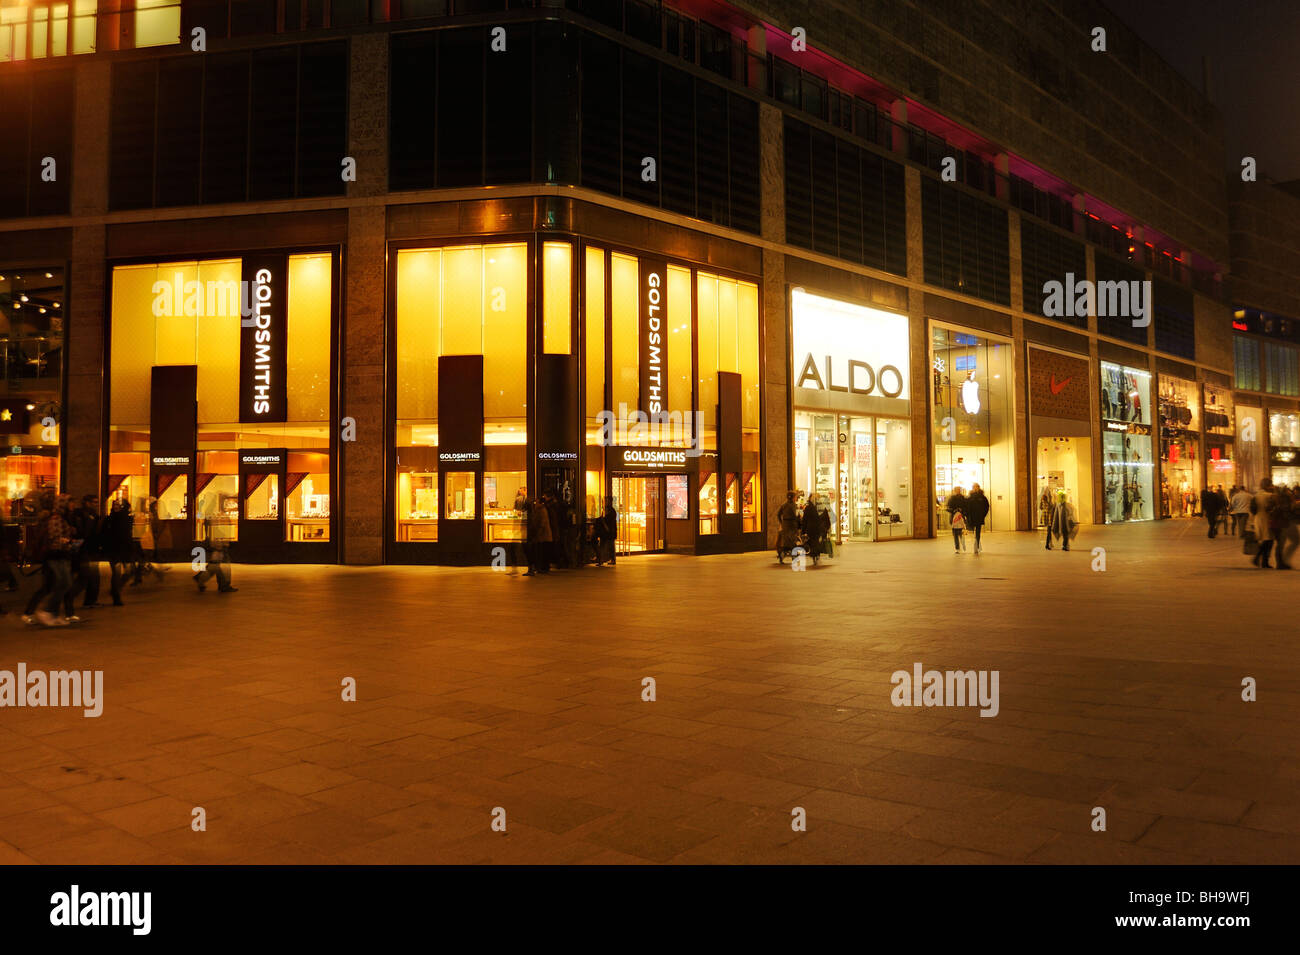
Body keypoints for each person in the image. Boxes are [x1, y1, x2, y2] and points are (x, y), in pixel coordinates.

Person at [72, 494, 103, 609]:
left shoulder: (93, 515)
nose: (96, 504)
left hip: (90, 549)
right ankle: (69, 598)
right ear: (87, 502)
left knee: (93, 577)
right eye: (94, 502)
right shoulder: (81, 515)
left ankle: (90, 600)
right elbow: (83, 534)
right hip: (85, 550)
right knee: (85, 577)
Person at [194, 513, 237, 592]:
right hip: (219, 542)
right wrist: (219, 544)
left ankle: (201, 578)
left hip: (219, 542)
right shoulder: (215, 515)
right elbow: (215, 529)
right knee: (220, 565)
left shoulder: (212, 515)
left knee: (216, 564)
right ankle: (224, 585)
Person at [104, 497, 132, 605]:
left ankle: (115, 589)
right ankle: (116, 597)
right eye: (114, 505)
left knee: (129, 571)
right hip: (114, 550)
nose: (116, 507)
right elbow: (106, 534)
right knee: (116, 573)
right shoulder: (110, 519)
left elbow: (128, 534)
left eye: (119, 505)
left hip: (125, 549)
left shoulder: (127, 519)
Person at [1251, 479, 1276, 569]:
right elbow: (1273, 508)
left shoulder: (1256, 495)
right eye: (1271, 485)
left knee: (1266, 540)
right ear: (1268, 486)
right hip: (1267, 519)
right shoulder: (1270, 495)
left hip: (1257, 519)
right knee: (1268, 540)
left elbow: (1252, 509)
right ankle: (1258, 558)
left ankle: (1264, 562)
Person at [526, 497, 551, 575]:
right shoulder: (539, 510)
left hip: (542, 535)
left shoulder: (541, 510)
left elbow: (542, 523)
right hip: (542, 535)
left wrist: (538, 532)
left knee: (542, 551)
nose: (535, 504)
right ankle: (541, 567)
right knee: (541, 551)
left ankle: (541, 567)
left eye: (536, 502)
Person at [966, 483, 990, 554]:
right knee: (972, 532)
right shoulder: (970, 497)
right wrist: (967, 515)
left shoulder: (982, 497)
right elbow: (967, 507)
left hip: (979, 517)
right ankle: (977, 544)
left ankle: (976, 545)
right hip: (972, 517)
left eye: (976, 487)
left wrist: (983, 515)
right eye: (974, 487)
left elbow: (986, 507)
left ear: (979, 488)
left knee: (978, 532)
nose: (975, 488)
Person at [776, 491, 799, 563]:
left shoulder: (783, 505)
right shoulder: (794, 505)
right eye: (795, 497)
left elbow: (778, 514)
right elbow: (795, 515)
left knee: (786, 542)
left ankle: (782, 556)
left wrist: (781, 522)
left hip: (785, 524)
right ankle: (794, 557)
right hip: (792, 524)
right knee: (793, 541)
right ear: (793, 497)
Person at [946, 486, 968, 553]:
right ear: (955, 490)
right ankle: (957, 548)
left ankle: (961, 546)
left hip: (959, 518)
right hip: (954, 518)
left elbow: (966, 507)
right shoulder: (952, 498)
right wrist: (954, 510)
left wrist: (961, 511)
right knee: (956, 534)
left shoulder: (962, 498)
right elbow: (948, 508)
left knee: (960, 533)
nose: (958, 491)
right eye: (957, 490)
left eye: (959, 490)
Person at [802, 493, 822, 561]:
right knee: (815, 541)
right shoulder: (816, 508)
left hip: (810, 528)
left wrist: (803, 530)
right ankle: (815, 554)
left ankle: (814, 555)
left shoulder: (808, 507)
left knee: (813, 541)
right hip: (815, 528)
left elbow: (805, 520)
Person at [602, 496, 618, 566]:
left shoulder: (611, 510)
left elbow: (610, 521)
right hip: (610, 530)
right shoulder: (609, 510)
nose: (606, 502)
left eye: (607, 501)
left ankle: (612, 559)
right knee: (609, 545)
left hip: (611, 531)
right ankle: (610, 558)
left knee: (611, 545)